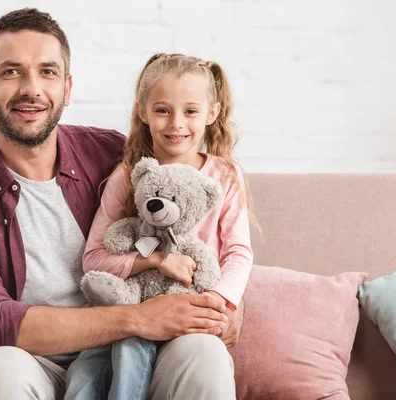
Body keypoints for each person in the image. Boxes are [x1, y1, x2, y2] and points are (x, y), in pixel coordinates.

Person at [0, 8, 243, 400]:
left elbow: (204, 222)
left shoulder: (114, 155)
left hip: (137, 357)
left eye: (47, 72)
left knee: (204, 353)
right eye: (10, 72)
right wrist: (138, 318)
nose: (31, 88)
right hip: (29, 363)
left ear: (67, 88)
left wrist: (224, 306)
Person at [65, 53, 254, 400]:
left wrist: (218, 301)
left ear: (212, 113)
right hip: (129, 312)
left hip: (189, 317)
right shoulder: (128, 176)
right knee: (86, 375)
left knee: (206, 361)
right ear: (142, 111)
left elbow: (238, 253)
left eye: (191, 111)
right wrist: (154, 261)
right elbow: (93, 258)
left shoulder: (224, 176)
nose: (176, 123)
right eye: (163, 110)